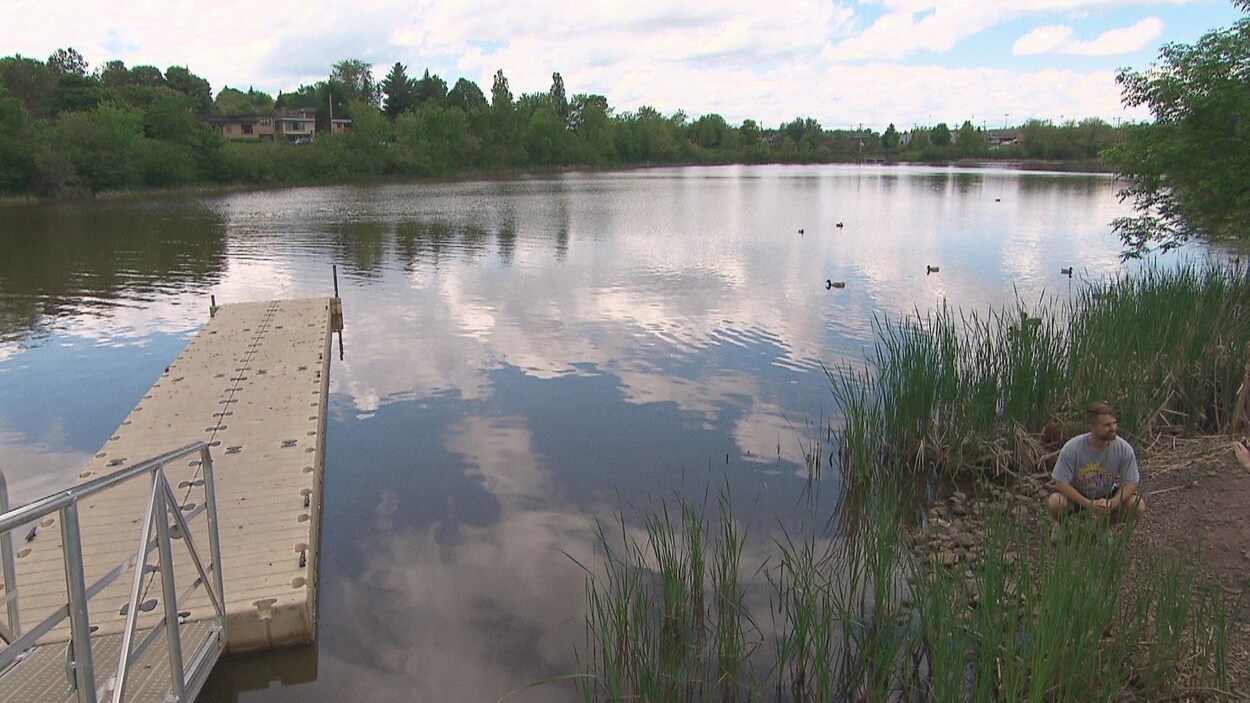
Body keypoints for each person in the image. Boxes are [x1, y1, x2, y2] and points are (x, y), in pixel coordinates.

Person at [1047, 402, 1146, 538]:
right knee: (1055, 502)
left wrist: (1112, 503)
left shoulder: (1123, 448)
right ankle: (1062, 527)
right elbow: (1060, 482)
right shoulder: (1073, 448)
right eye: (1107, 425)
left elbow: (1132, 483)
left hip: (1106, 493)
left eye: (1114, 423)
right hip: (1078, 494)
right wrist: (1088, 504)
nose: (1113, 428)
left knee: (1137, 506)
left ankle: (1102, 527)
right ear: (1092, 427)